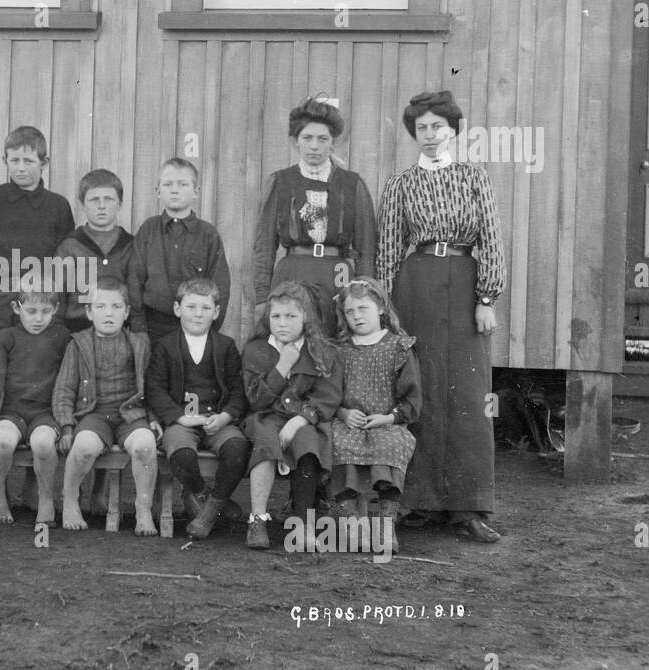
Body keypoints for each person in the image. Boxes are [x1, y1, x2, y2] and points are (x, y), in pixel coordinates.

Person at [377, 90, 506, 542]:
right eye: (422, 128)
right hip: (418, 285)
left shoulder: (475, 177)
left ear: (453, 129)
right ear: (414, 133)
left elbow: (490, 237)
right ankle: (419, 502)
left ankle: (466, 507)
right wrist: (386, 309)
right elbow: (390, 249)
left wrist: (486, 298)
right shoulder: (400, 184)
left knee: (469, 393)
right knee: (422, 385)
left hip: (467, 283)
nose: (430, 136)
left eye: (438, 126)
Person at [253, 97, 377, 335]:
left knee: (336, 340)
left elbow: (366, 247)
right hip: (293, 272)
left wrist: (364, 296)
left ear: (333, 143)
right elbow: (264, 246)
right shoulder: (280, 182)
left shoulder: (352, 184)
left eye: (323, 139)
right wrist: (261, 297)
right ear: (295, 142)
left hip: (337, 276)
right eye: (307, 138)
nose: (314, 146)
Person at [144, 279, 251, 541]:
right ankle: (202, 494)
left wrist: (226, 416)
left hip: (216, 419)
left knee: (237, 449)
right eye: (191, 306)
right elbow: (154, 389)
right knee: (181, 454)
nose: (198, 314)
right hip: (181, 420)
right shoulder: (166, 345)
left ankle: (208, 512)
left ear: (216, 312)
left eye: (205, 308)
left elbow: (238, 391)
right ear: (178, 309)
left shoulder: (225, 346)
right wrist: (179, 417)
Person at [53, 278, 161, 535]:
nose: (109, 313)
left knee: (145, 445)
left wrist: (154, 418)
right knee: (84, 447)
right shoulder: (78, 344)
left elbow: (154, 387)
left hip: (130, 415)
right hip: (93, 414)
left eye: (116, 307)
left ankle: (142, 509)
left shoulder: (139, 344)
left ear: (126, 312)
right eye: (100, 307)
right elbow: (64, 389)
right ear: (89, 312)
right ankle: (70, 500)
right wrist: (67, 427)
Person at [240, 281, 342, 551]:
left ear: (306, 317)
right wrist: (282, 367)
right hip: (265, 417)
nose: (282, 323)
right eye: (276, 316)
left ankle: (303, 523)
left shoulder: (322, 351)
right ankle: (258, 519)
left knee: (308, 443)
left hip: (303, 419)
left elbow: (328, 396)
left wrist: (300, 420)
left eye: (291, 316)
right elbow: (256, 400)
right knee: (265, 440)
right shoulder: (255, 350)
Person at [329, 278, 421, 555]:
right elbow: (327, 394)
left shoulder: (398, 347)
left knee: (392, 444)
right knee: (335, 441)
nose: (357, 316)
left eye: (363, 308)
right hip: (348, 423)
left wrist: (389, 418)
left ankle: (385, 524)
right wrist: (343, 412)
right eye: (350, 311)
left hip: (386, 421)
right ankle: (350, 522)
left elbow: (413, 400)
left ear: (380, 307)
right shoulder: (339, 350)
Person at [0, 125, 74, 330]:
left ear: (44, 163)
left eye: (28, 161)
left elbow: (66, 258)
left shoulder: (58, 205)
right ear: (5, 161)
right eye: (14, 160)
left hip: (39, 300)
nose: (21, 168)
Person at [0, 287, 70, 526]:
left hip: (46, 413)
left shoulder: (61, 337)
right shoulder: (5, 338)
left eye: (45, 311)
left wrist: (66, 419)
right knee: (3, 442)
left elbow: (69, 379)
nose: (38, 319)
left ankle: (46, 498)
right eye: (31, 311)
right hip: (12, 411)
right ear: (16, 308)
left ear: (56, 310)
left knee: (42, 443)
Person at [128, 157, 231, 342]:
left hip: (195, 326)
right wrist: (138, 326)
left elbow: (220, 285)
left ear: (196, 191)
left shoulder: (208, 234)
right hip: (153, 326)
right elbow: (134, 279)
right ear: (158, 191)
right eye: (167, 184)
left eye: (183, 184)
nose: (175, 190)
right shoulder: (148, 229)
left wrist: (209, 329)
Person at [52, 168, 136, 333]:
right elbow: (57, 296)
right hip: (77, 329)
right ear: (83, 205)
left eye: (109, 199)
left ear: (120, 204)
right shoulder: (70, 246)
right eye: (94, 200)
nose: (102, 206)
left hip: (120, 329)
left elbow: (136, 296)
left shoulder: (132, 245)